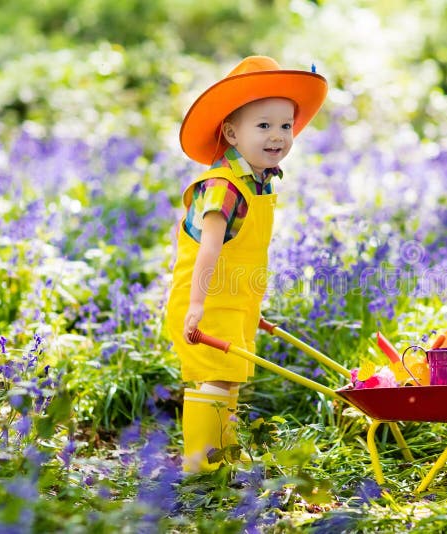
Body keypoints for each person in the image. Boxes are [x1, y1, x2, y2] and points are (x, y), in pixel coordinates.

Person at [165, 56, 328, 472]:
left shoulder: (257, 182)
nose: (278, 136)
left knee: (230, 379)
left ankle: (222, 460)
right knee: (216, 378)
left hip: (235, 300)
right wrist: (197, 307)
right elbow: (209, 251)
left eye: (285, 125)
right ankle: (201, 469)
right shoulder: (223, 187)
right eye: (263, 126)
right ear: (232, 132)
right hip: (206, 300)